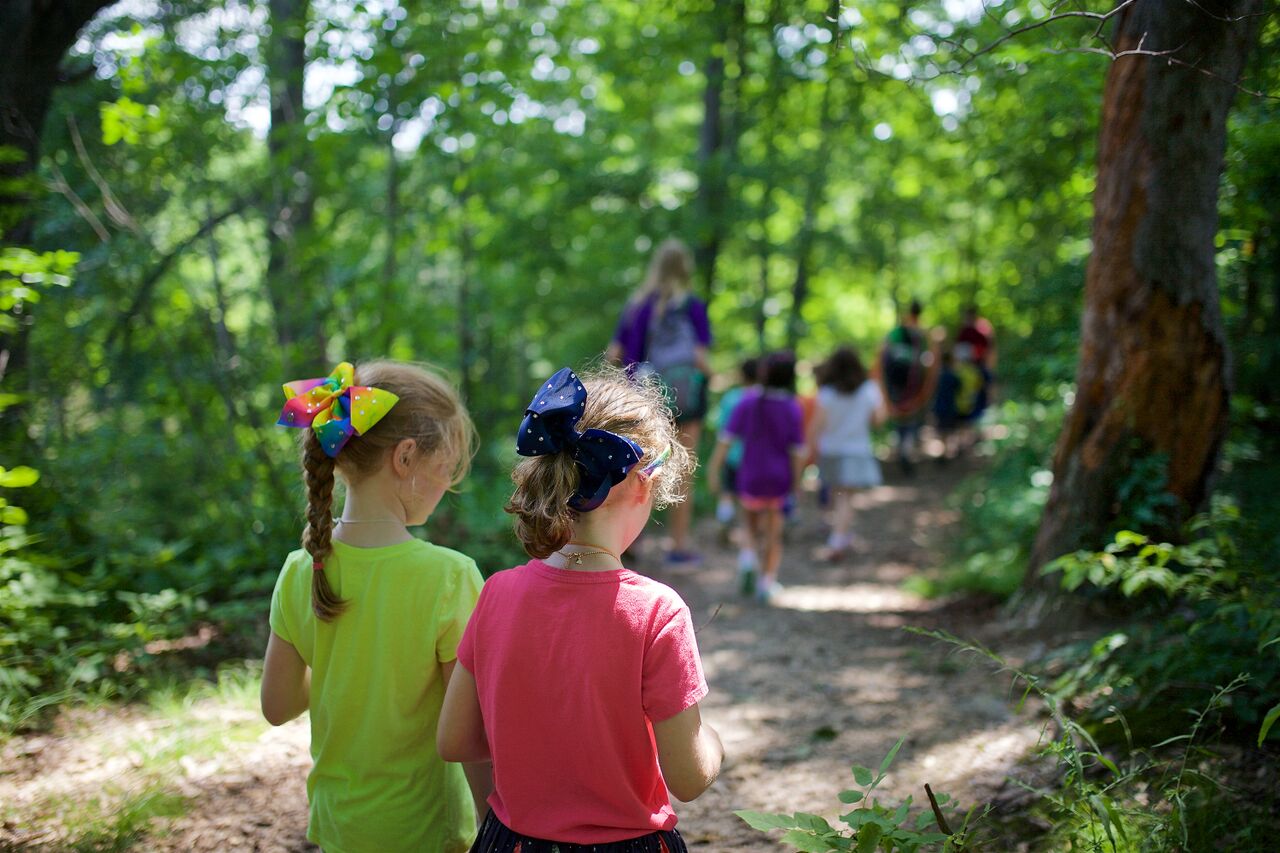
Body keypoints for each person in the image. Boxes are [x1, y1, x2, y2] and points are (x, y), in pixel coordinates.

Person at [437, 366, 724, 853]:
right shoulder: (657, 611)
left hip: (512, 842)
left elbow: (455, 741)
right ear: (641, 485)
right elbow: (690, 778)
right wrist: (712, 740)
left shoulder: (498, 593)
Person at [262, 360, 489, 853]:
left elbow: (277, 706)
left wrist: (342, 665)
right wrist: (498, 833)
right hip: (426, 833)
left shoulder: (301, 570)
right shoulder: (448, 576)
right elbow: (470, 733)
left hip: (338, 829)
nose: (445, 488)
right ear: (405, 458)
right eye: (444, 470)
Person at [606, 239, 712, 566]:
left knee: (635, 469)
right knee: (683, 472)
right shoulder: (692, 307)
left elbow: (614, 354)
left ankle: (627, 544)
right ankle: (678, 547)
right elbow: (699, 357)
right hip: (685, 400)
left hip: (641, 399)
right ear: (686, 268)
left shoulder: (637, 306)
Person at [707, 351, 805, 602]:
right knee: (774, 533)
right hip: (778, 479)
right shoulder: (791, 407)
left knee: (748, 523)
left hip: (750, 476)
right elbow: (797, 452)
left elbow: (726, 440)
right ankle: (766, 583)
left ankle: (748, 557)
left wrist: (714, 469)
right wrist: (797, 483)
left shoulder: (747, 402)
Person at [809, 346, 886, 561]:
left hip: (831, 449)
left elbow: (816, 426)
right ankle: (838, 538)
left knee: (838, 494)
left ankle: (839, 533)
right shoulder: (869, 390)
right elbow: (879, 420)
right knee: (847, 498)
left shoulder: (827, 393)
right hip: (856, 450)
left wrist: (810, 447)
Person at [877, 299, 937, 475]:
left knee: (898, 413)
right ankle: (906, 447)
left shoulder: (897, 332)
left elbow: (883, 355)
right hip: (915, 383)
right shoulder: (924, 335)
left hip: (895, 382)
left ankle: (900, 444)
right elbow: (932, 362)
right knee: (911, 416)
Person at [713, 356, 759, 552]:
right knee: (749, 499)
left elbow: (722, 427)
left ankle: (724, 518)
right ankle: (748, 533)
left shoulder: (731, 398)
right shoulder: (763, 399)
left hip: (731, 455)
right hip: (754, 459)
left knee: (727, 492)